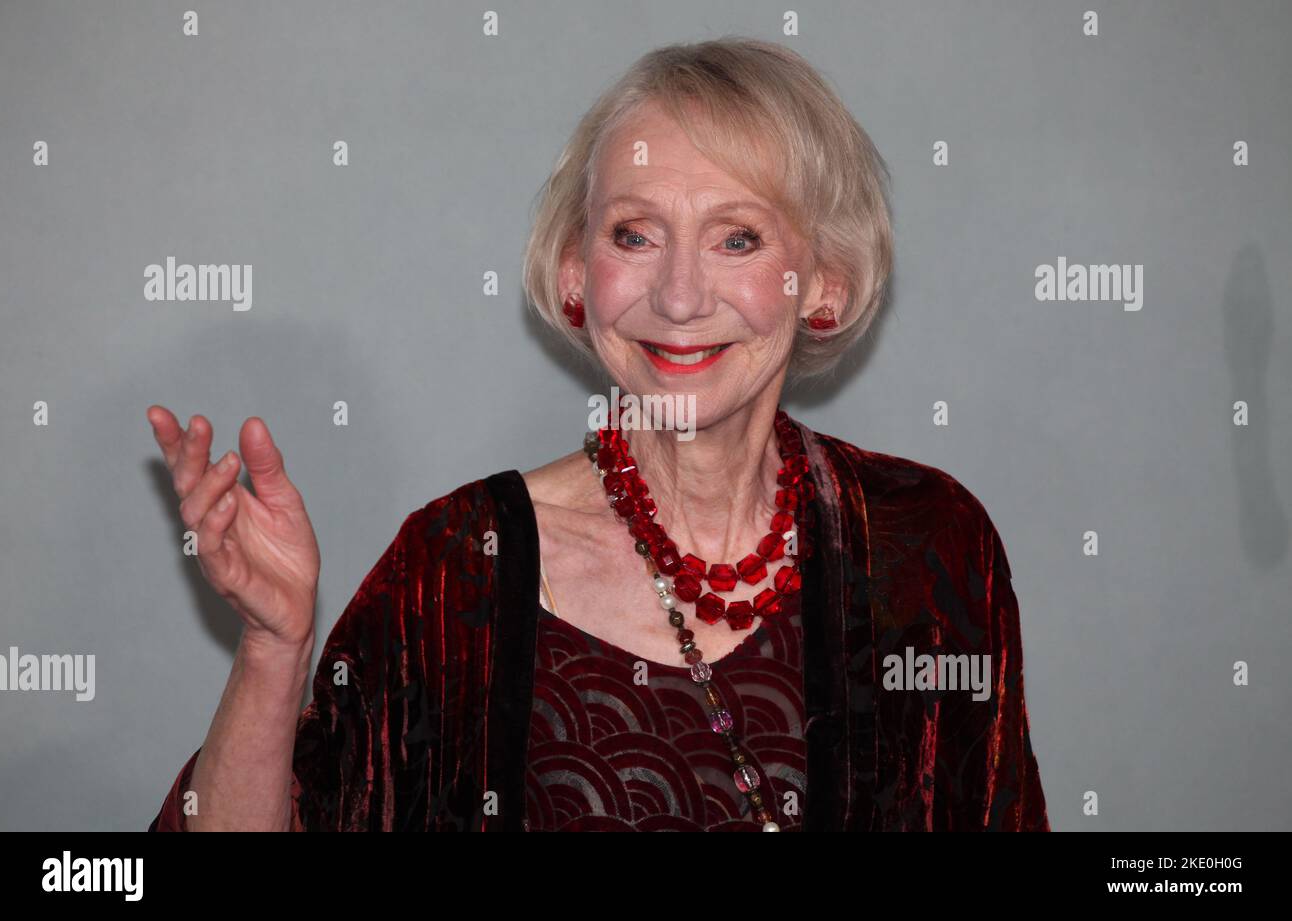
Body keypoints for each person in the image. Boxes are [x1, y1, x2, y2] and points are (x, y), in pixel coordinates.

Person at [149, 37, 1048, 832]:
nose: (681, 296)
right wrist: (274, 649)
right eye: (635, 235)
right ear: (577, 274)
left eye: (737, 238)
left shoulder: (928, 544)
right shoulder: (458, 564)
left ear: (825, 283)